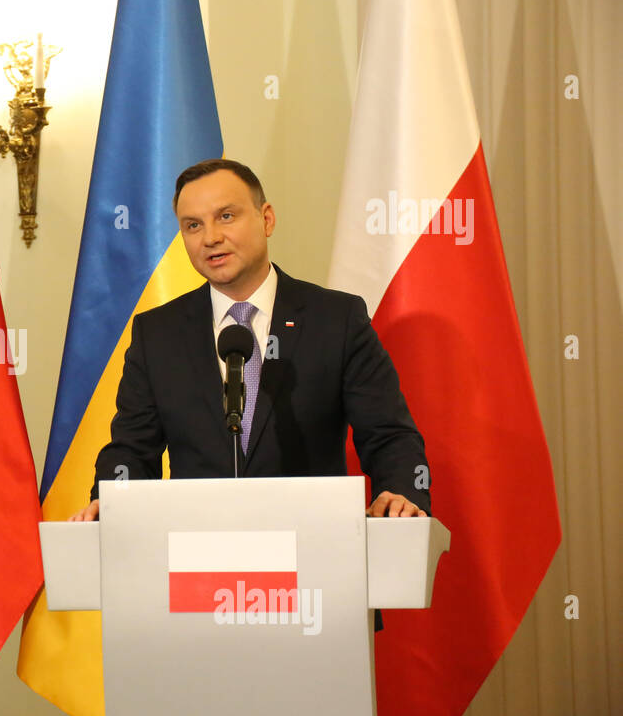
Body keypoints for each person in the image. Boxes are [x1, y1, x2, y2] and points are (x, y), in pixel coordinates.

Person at [71, 158, 430, 528]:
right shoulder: (158, 333)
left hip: (314, 547)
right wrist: (108, 500)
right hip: (194, 554)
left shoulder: (336, 319)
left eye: (226, 216)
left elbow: (387, 433)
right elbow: (132, 447)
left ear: (266, 218)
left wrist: (402, 490)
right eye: (193, 225)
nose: (210, 237)